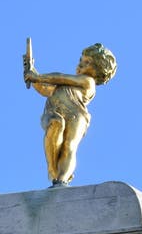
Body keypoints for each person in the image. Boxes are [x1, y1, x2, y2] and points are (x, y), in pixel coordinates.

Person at [24, 43, 117, 186]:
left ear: (98, 71)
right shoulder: (62, 86)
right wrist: (31, 73)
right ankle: (52, 168)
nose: (81, 64)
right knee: (56, 124)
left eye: (87, 63)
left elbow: (59, 77)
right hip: (54, 112)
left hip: (77, 115)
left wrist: (37, 76)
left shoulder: (88, 81)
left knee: (69, 145)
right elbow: (44, 89)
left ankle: (61, 178)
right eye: (81, 60)